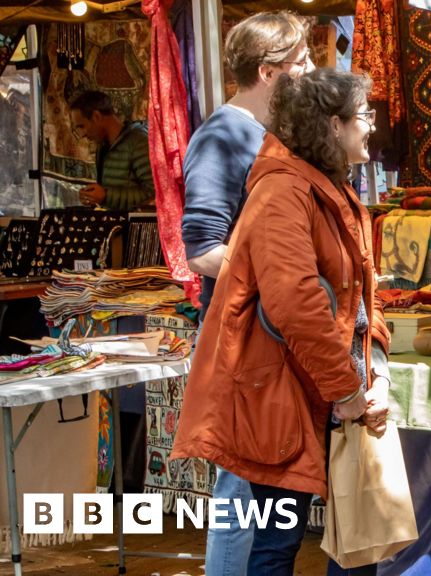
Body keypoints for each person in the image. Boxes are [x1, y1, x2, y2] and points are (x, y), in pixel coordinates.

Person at [171, 68, 392, 574]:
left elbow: (361, 290)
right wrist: (347, 389)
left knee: (350, 534)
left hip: (317, 384)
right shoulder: (284, 191)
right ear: (332, 126)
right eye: (365, 116)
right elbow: (294, 303)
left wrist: (376, 368)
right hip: (279, 391)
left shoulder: (328, 187)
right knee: (276, 543)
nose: (373, 126)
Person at [178, 11, 313, 575]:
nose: (310, 70)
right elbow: (201, 248)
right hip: (245, 349)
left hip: (271, 347)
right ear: (269, 72)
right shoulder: (224, 135)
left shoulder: (266, 135)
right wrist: (278, 279)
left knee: (267, 500)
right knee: (243, 494)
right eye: (301, 61)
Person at [70, 90, 155, 210]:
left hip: (134, 226)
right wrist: (94, 196)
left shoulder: (138, 141)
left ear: (96, 117)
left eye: (82, 126)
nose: (82, 134)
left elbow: (154, 193)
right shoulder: (103, 145)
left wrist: (106, 195)